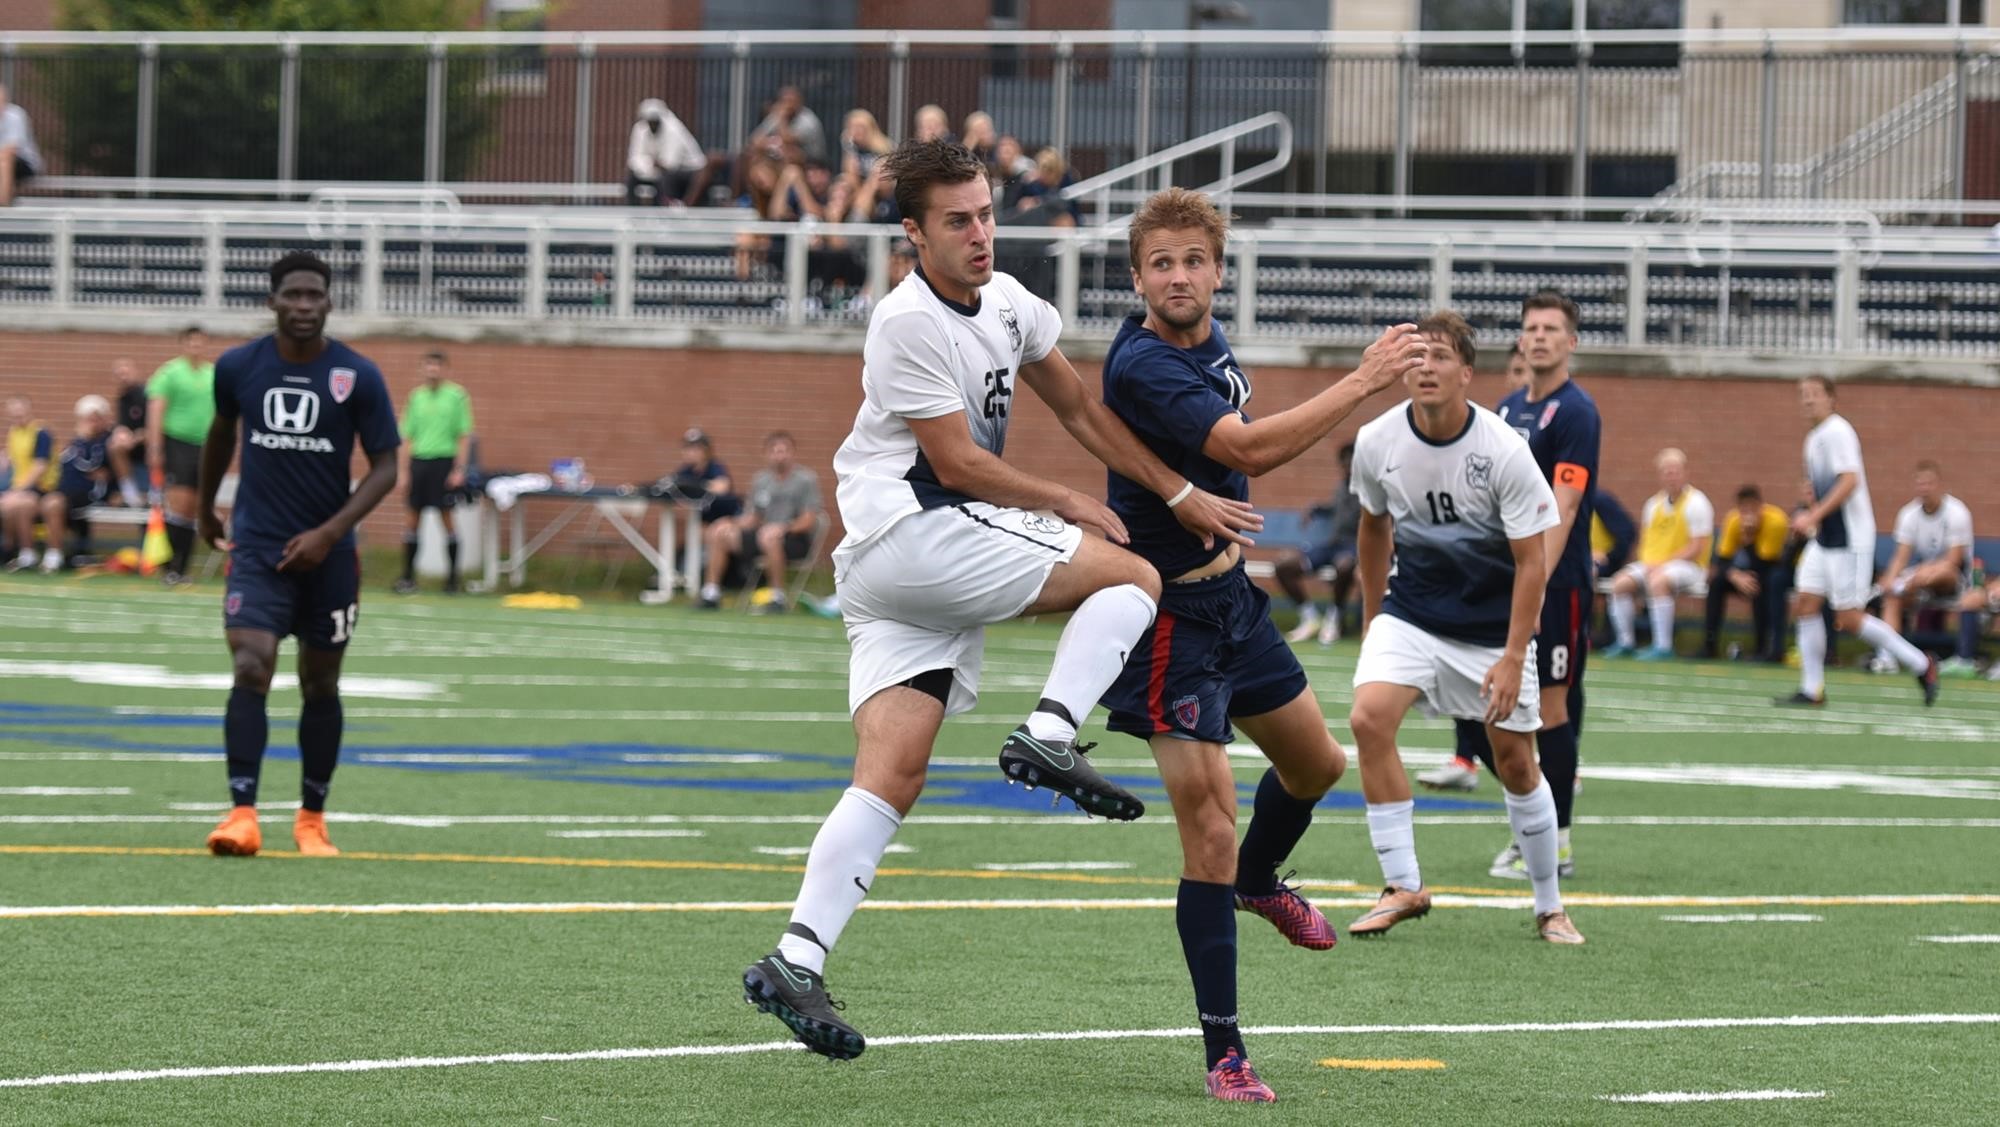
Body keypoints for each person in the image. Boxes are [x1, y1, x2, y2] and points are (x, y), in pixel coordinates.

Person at [740, 141, 1258, 1062]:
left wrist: (1173, 491)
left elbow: (1084, 413)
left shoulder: (1011, 301)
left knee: (892, 771)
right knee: (1132, 577)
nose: (980, 233)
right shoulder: (905, 321)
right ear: (913, 234)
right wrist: (1063, 498)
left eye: (985, 213)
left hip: (897, 570)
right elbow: (957, 463)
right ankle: (1051, 732)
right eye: (957, 220)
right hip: (915, 532)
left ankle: (795, 956)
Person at [1096, 188, 1423, 1102]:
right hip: (1168, 622)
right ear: (1138, 277)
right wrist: (1361, 383)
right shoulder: (1146, 362)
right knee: (1208, 830)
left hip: (1235, 601)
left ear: (1216, 269)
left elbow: (1229, 452)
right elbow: (1249, 445)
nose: (1178, 276)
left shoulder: (1208, 339)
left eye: (1192, 260)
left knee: (1319, 765)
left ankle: (1259, 880)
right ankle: (1225, 1051)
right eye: (1160, 263)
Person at [1345, 309, 1583, 946]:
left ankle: (1548, 905)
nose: (1427, 367)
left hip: (1489, 631)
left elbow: (1532, 560)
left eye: (1442, 357)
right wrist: (1372, 619)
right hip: (1411, 614)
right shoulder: (1376, 441)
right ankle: (1402, 884)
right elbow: (1373, 527)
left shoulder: (1503, 449)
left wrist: (1512, 655)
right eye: (1417, 357)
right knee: (1368, 718)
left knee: (1515, 764)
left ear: (1467, 374)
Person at [196, 251, 401, 859]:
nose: (304, 306)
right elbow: (219, 432)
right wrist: (206, 506)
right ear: (272, 301)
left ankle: (312, 817)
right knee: (251, 664)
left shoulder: (356, 376)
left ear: (330, 302)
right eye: (293, 295)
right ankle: (241, 814)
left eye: (315, 295)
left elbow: (387, 466)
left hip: (330, 557)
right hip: (258, 549)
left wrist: (330, 533)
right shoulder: (238, 366)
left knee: (320, 683)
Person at [1422, 291, 1599, 884]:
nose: (1540, 336)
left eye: (1552, 328)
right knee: (1482, 708)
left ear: (1570, 342)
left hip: (1556, 581)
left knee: (1549, 711)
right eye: (1531, 327)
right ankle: (1536, 824)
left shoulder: (1576, 413)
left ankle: (1557, 842)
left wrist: (1536, 583)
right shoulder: (1504, 409)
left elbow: (1565, 506)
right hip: (1505, 583)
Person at [1780, 375, 1937, 707]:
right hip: (1825, 539)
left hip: (1850, 538)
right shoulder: (1813, 438)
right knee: (1806, 602)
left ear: (1832, 399)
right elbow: (1822, 489)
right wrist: (1807, 513)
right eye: (1803, 395)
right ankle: (1813, 690)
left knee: (1848, 618)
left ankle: (1922, 664)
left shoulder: (1838, 431)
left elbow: (1849, 481)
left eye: (1815, 394)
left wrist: (1814, 516)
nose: (1808, 400)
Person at [1604, 448, 1712, 659]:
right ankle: (1625, 642)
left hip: (1691, 566)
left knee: (1658, 582)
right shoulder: (1653, 505)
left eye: (1675, 471)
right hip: (1656, 564)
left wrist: (1661, 564)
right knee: (1619, 583)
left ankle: (1663, 646)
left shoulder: (1697, 503)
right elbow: (1647, 543)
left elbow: (1697, 546)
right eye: (1667, 472)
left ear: (1685, 472)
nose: (1671, 476)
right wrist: (1648, 564)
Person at [703, 431, 824, 613]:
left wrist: (784, 528)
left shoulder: (805, 479)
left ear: (793, 453)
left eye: (783, 451)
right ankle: (711, 594)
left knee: (769, 536)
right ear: (767, 454)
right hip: (762, 535)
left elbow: (809, 518)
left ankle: (777, 598)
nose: (779, 455)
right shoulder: (761, 480)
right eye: (774, 451)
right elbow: (753, 517)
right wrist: (730, 523)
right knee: (719, 532)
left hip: (795, 538)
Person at [1875, 461, 1973, 674]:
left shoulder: (1957, 512)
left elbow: (1954, 561)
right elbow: (1900, 557)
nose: (1924, 489)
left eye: (1929, 483)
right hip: (1919, 581)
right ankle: (1887, 657)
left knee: (1942, 572)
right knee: (1892, 595)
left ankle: (1963, 658)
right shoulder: (1908, 514)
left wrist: (1919, 576)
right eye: (1920, 484)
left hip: (1953, 584)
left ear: (1939, 484)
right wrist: (1890, 581)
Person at [395, 350, 475, 595]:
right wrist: (403, 471)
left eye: (437, 366)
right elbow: (407, 436)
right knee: (412, 520)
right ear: (422, 368)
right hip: (420, 462)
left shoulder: (457, 396)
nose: (432, 370)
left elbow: (463, 435)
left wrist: (459, 469)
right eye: (428, 366)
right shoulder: (416, 397)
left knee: (447, 519)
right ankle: (408, 577)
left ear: (444, 369)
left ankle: (452, 580)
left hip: (444, 463)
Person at [147, 326, 216, 584]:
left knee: (195, 507)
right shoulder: (170, 372)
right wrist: (155, 448)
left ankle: (182, 568)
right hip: (177, 443)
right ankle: (170, 566)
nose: (196, 347)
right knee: (179, 502)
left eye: (201, 342)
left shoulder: (212, 373)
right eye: (191, 342)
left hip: (206, 446)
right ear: (183, 344)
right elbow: (156, 408)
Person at [1275, 441, 1360, 646]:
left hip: (1353, 546)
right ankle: (1310, 617)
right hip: (1333, 544)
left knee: (1345, 565)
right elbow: (1337, 511)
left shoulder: (1368, 487)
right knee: (1284, 566)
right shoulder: (1341, 486)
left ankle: (1335, 617)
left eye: (1351, 462)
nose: (1347, 467)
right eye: (1344, 463)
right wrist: (1316, 510)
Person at [33, 396, 128, 571]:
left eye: (96, 418)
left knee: (53, 503)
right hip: (67, 491)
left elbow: (107, 469)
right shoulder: (78, 443)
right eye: (88, 418)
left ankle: (54, 555)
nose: (92, 422)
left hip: (92, 494)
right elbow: (68, 466)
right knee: (42, 501)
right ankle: (33, 553)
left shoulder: (109, 440)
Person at [1702, 484, 1790, 662]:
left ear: (1760, 505)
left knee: (1762, 583)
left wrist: (1749, 537)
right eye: (1744, 509)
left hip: (1771, 570)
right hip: (1744, 572)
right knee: (1717, 582)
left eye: (1753, 508)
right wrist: (1735, 576)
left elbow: (1764, 563)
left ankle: (1764, 647)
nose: (1748, 514)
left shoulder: (1775, 520)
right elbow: (1722, 558)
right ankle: (1709, 644)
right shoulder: (1734, 519)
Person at [683, 429, 748, 609]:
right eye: (689, 448)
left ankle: (710, 588)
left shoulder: (715, 467)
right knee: (693, 532)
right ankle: (684, 580)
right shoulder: (687, 471)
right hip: (706, 523)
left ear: (706, 450)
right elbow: (673, 487)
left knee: (711, 532)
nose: (692, 453)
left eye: (697, 448)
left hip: (730, 520)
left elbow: (722, 486)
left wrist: (694, 487)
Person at [2, 396, 56, 568]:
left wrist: (18, 491)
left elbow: (40, 467)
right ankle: (21, 552)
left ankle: (15, 551)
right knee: (10, 505)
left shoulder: (41, 433)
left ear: (29, 409)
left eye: (20, 410)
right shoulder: (14, 432)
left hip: (42, 487)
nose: (18, 415)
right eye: (13, 412)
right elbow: (10, 460)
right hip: (20, 486)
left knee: (13, 505)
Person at [625, 98, 710, 207]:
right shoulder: (640, 129)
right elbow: (634, 158)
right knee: (632, 178)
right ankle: (633, 214)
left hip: (689, 171)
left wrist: (649, 163)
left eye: (655, 121)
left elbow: (670, 164)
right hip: (658, 171)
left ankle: (660, 215)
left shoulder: (673, 129)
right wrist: (650, 164)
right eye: (650, 121)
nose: (652, 125)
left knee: (663, 179)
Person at [748, 85, 827, 167]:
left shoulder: (808, 120)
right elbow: (755, 140)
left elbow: (788, 140)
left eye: (790, 101)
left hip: (811, 165)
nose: (787, 105)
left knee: (790, 154)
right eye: (783, 101)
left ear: (799, 102)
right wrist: (769, 144)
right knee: (756, 165)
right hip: (781, 161)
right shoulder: (776, 116)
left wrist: (782, 119)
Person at [0, 84, 42, 207]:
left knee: (5, 160)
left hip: (25, 164)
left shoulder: (15, 115)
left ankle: (4, 204)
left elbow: (11, 150)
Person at [838, 109, 892, 182]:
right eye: (852, 127)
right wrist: (848, 145)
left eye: (860, 127)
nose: (857, 131)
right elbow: (849, 175)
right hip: (859, 187)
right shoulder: (851, 147)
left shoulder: (883, 147)